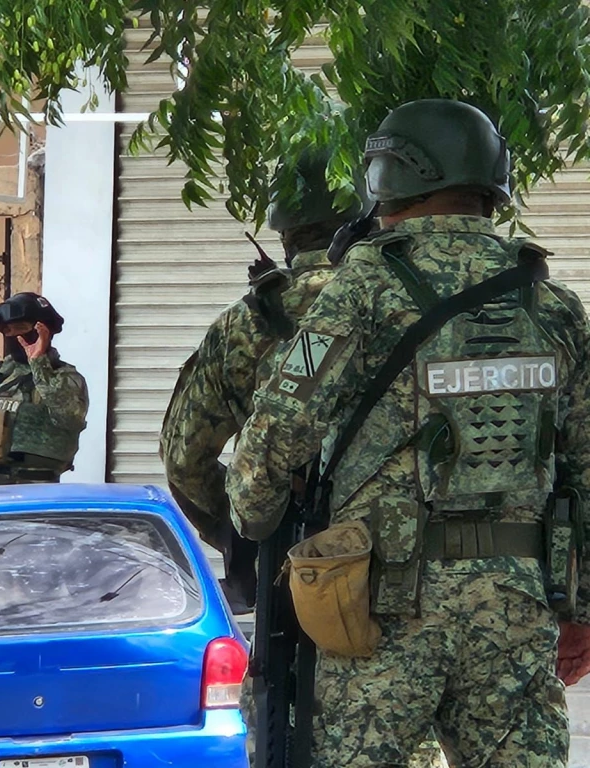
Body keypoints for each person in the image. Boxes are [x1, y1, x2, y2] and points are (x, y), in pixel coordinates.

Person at [226, 99, 585, 766]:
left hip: (381, 610)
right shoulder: (550, 302)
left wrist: (253, 517)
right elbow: (585, 468)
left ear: (389, 176)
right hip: (514, 604)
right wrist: (581, 607)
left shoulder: (363, 285)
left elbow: (280, 428)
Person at [160, 148, 369, 614]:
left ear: (284, 231)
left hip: (288, 562)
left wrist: (241, 525)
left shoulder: (244, 323)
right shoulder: (397, 298)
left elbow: (184, 459)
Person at [0, 292, 89, 486]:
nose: (12, 335)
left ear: (43, 331)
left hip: (33, 490)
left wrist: (38, 363)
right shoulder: (5, 373)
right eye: (7, 330)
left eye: (20, 328)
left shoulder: (64, 377)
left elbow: (69, 418)